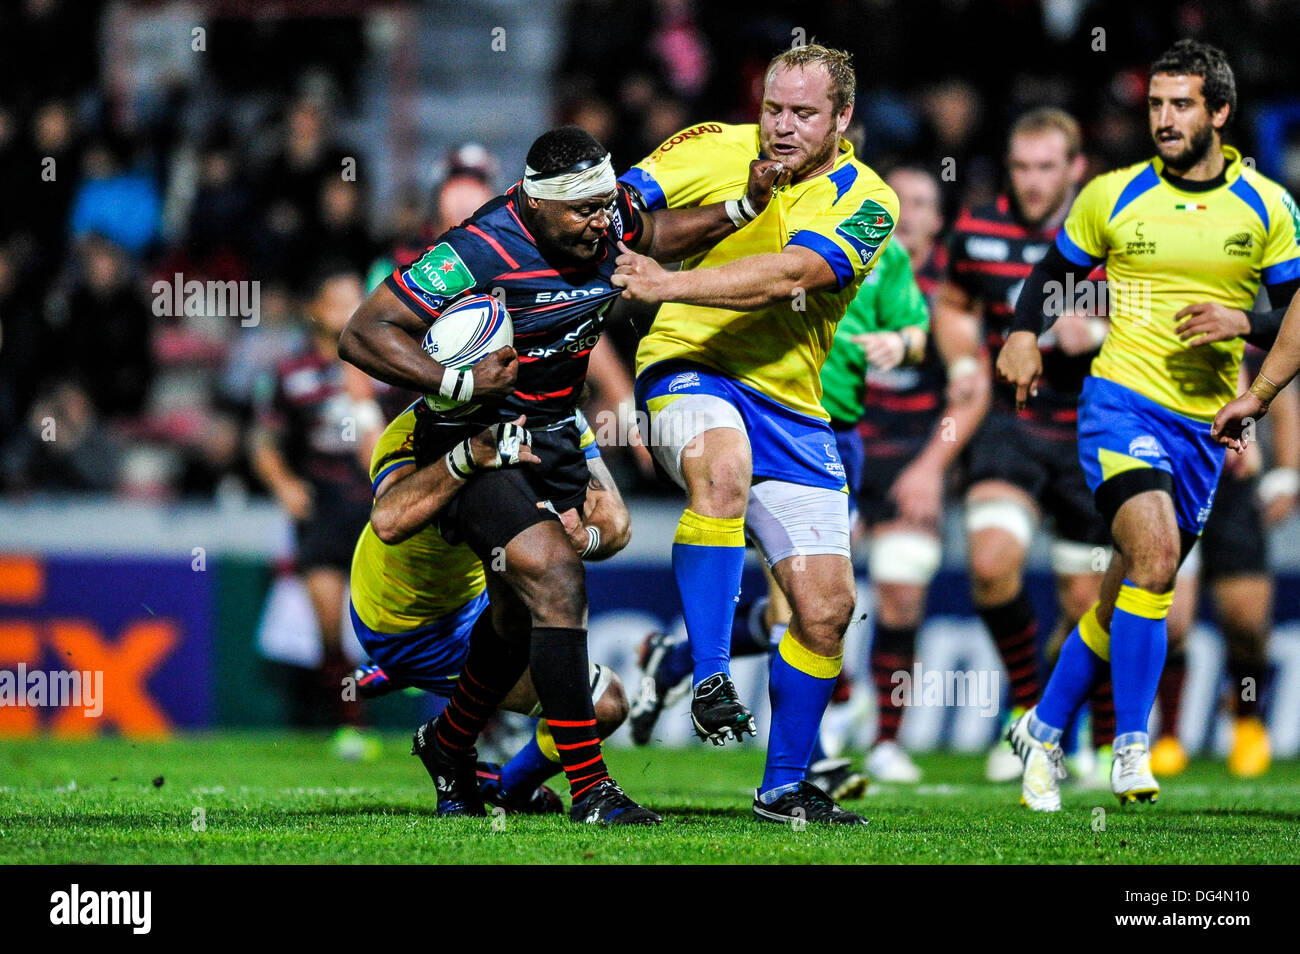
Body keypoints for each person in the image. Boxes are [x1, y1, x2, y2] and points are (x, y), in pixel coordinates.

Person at [340, 124, 786, 825]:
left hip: (554, 433)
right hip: (481, 435)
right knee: (553, 575)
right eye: (584, 212)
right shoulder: (476, 250)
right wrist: (456, 383)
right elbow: (363, 332)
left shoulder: (603, 216)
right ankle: (593, 791)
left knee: (553, 579)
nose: (602, 222)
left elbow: (654, 234)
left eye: (607, 206)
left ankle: (451, 744)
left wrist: (740, 211)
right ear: (536, 203)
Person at [998, 40, 1300, 811]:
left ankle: (1041, 724)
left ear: (1221, 113)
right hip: (1120, 403)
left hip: (1205, 427)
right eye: (1156, 104)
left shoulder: (1268, 206)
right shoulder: (1112, 194)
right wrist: (1026, 332)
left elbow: (1296, 314)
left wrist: (1250, 341)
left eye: (1181, 105)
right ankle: (1132, 744)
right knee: (1158, 556)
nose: (1163, 119)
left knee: (1121, 596)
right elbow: (1056, 275)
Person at [613, 44, 899, 825]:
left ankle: (782, 787)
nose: (781, 127)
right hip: (689, 366)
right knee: (723, 465)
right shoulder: (712, 145)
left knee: (827, 609)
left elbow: (790, 276)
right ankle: (708, 676)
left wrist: (667, 279)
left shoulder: (869, 200)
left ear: (842, 119)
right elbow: (617, 207)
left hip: (795, 408)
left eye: (803, 114)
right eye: (773, 108)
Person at [935, 108, 1115, 783]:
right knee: (989, 563)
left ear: (1075, 169)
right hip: (1010, 422)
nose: (1033, 182)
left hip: (1091, 430)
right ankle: (1021, 707)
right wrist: (961, 363)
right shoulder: (978, 229)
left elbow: (1156, 317)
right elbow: (953, 303)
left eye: (1047, 167)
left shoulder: (1112, 234)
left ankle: (1077, 732)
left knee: (1084, 604)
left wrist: (1096, 335)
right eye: (1021, 167)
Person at [350, 404, 636, 816]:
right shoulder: (413, 431)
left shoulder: (559, 415)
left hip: (478, 599)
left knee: (609, 701)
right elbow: (389, 521)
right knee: (597, 697)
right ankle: (408, 672)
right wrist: (466, 457)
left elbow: (615, 520)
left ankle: (506, 785)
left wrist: (584, 539)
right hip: (411, 621)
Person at [250, 264, 383, 745]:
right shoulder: (290, 372)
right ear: (315, 310)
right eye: (339, 299)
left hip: (382, 505)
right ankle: (353, 727)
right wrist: (284, 483)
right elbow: (262, 441)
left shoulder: (387, 364)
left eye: (357, 299)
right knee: (329, 627)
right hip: (322, 507)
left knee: (405, 626)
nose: (350, 309)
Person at [1152, 363, 1298, 778]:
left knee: (1248, 623)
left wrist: (1286, 473)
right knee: (1172, 623)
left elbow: (1282, 390)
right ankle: (1167, 736)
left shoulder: (1254, 312)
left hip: (1232, 485)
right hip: (1172, 475)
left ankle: (1247, 718)